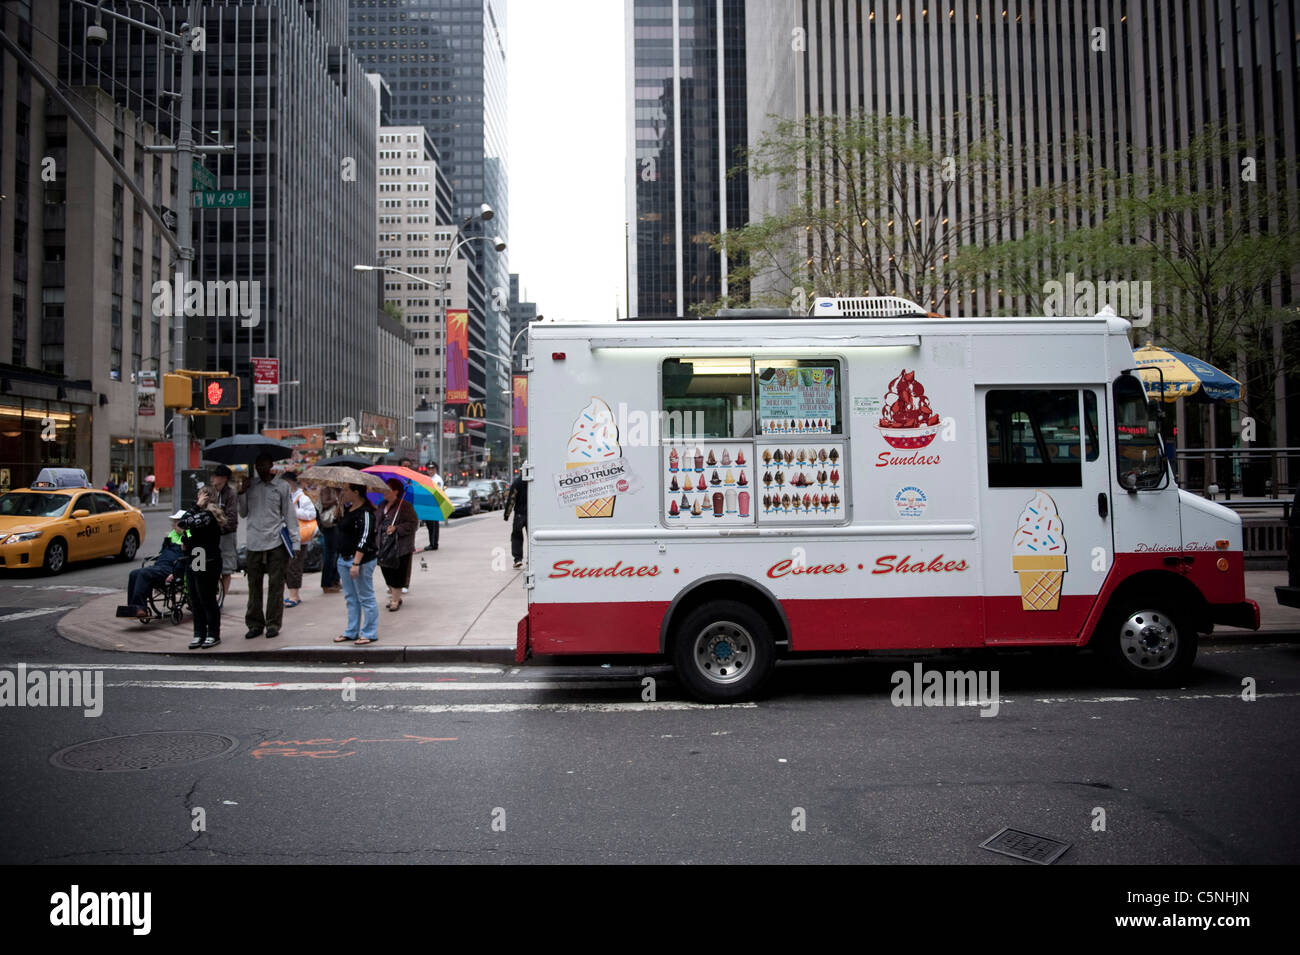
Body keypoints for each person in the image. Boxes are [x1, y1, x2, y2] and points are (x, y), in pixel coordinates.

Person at [237, 454, 298, 639]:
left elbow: (289, 514)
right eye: (258, 465)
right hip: (254, 541)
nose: (261, 468)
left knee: (276, 584)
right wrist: (242, 492)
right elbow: (243, 513)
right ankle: (255, 623)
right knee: (254, 585)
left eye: (264, 465)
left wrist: (295, 543)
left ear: (271, 466)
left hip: (276, 540)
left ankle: (273, 624)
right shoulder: (250, 486)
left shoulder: (280, 487)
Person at [178, 487, 227, 649]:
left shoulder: (207, 516)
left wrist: (196, 506)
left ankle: (213, 633)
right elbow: (186, 532)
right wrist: (186, 540)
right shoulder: (200, 515)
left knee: (206, 598)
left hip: (208, 560)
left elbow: (183, 522)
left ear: (205, 498)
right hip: (195, 558)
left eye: (199, 496)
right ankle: (199, 633)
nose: (196, 499)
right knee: (195, 599)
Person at [334, 482, 379, 645]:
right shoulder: (346, 509)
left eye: (346, 490)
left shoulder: (366, 513)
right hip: (343, 559)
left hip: (361, 561)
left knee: (365, 596)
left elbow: (365, 538)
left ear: (356, 492)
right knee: (351, 597)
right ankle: (352, 631)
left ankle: (369, 632)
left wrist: (356, 563)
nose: (343, 493)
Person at [120, 511, 188, 618]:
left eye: (176, 522)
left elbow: (187, 559)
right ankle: (132, 608)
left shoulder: (189, 537)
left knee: (143, 573)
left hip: (171, 568)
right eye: (173, 522)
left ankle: (140, 608)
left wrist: (176, 573)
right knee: (133, 574)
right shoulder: (172, 535)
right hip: (160, 565)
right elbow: (162, 552)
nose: (173, 525)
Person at [376, 477, 418, 612]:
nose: (385, 492)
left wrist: (397, 528)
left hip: (400, 546)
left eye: (388, 489)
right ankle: (395, 595)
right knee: (386, 570)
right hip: (383, 544)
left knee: (398, 573)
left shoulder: (405, 506)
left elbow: (412, 524)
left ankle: (395, 599)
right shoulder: (381, 505)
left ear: (396, 491)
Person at [281, 471, 317, 608]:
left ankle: (294, 596)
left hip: (300, 538)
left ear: (290, 483)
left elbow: (312, 514)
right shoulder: (283, 497)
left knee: (294, 566)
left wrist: (294, 512)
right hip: (285, 537)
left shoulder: (302, 498)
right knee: (286, 567)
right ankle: (292, 594)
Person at [208, 465, 239, 599]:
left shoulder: (230, 494)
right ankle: (211, 595)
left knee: (226, 569)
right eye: (213, 476)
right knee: (210, 568)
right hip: (211, 537)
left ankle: (222, 599)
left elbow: (232, 519)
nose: (213, 479)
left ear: (224, 478)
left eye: (216, 476)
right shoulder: (209, 493)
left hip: (226, 536)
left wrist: (219, 527)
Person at [315, 481, 343, 593]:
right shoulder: (326, 489)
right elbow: (324, 503)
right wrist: (336, 500)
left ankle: (335, 580)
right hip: (329, 525)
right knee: (330, 554)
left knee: (337, 553)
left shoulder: (339, 490)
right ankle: (327, 583)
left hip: (338, 524)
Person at [503, 472, 527, 568]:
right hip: (533, 514)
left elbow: (511, 499)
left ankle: (518, 559)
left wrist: (507, 515)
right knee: (533, 537)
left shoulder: (517, 482)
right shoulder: (536, 481)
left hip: (519, 515)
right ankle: (532, 558)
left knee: (516, 537)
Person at [422, 461, 444, 551]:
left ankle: (434, 544)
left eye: (432, 469)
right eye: (429, 469)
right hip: (428, 504)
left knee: (434, 525)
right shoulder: (427, 478)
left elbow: (437, 492)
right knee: (429, 525)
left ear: (436, 469)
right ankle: (432, 543)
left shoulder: (437, 480)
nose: (430, 471)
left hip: (434, 504)